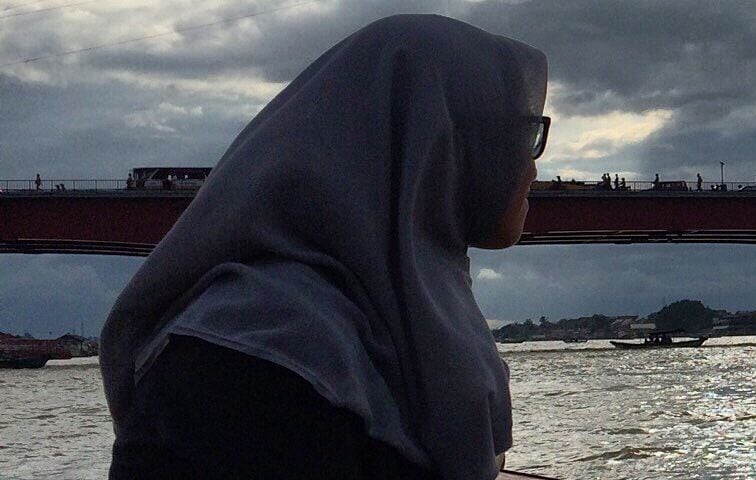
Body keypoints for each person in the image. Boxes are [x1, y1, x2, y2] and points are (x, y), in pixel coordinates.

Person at [99, 15, 546, 480]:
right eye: (520, 135)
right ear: (437, 142)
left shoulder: (393, 323)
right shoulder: (256, 365)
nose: (533, 167)